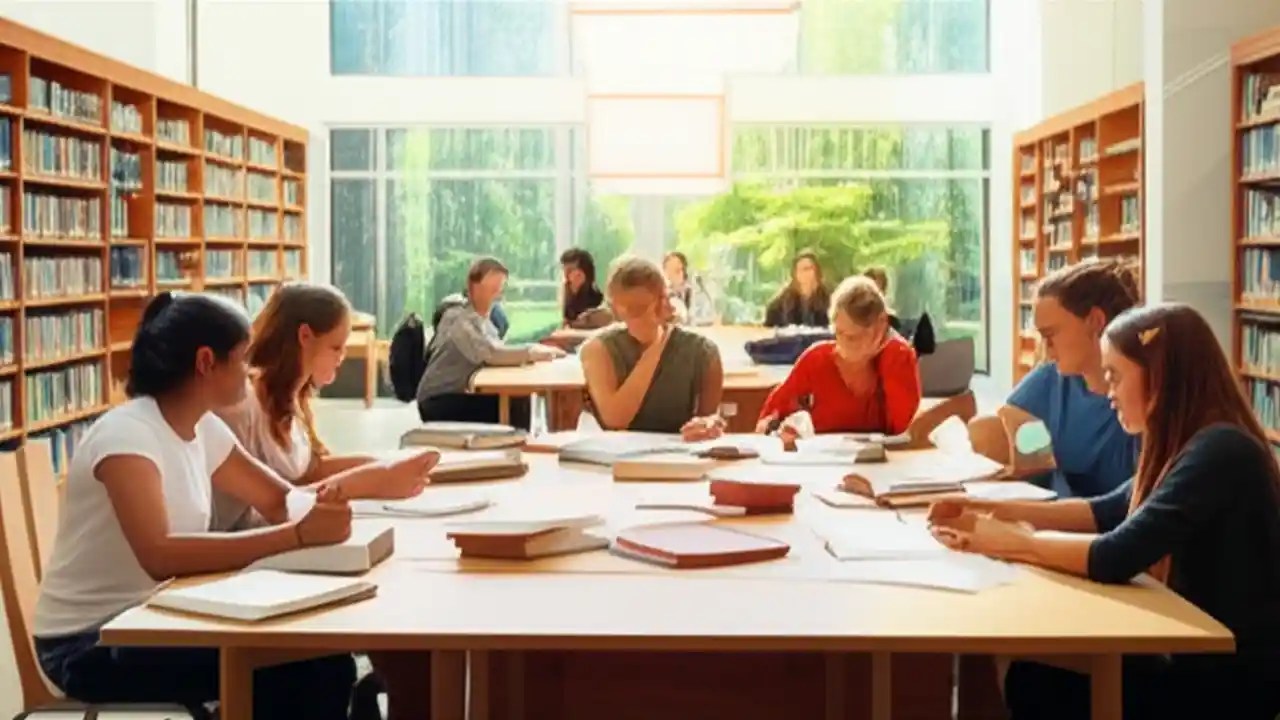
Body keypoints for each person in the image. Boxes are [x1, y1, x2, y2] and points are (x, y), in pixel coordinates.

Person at [30, 292, 378, 719]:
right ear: (205, 363)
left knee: (319, 658)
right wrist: (296, 535)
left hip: (158, 616)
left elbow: (276, 499)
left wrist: (331, 506)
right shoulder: (127, 437)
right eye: (242, 357)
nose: (250, 371)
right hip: (89, 642)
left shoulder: (203, 427)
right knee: (309, 668)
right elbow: (159, 555)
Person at [930, 303, 1280, 720]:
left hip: (1225, 684)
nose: (1107, 391)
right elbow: (1104, 511)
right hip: (1193, 654)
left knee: (1027, 678)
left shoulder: (1218, 450)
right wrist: (980, 506)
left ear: (1160, 376)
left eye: (1116, 376)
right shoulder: (1192, 443)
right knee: (1018, 658)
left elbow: (1114, 554)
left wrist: (1014, 542)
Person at [215, 282, 436, 720]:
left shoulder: (291, 397)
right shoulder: (243, 406)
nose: (341, 356)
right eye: (335, 346)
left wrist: (387, 463)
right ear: (304, 337)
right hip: (254, 560)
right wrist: (374, 478)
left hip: (290, 547)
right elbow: (281, 501)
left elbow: (312, 470)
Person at [968, 259, 1141, 497]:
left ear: (1095, 322)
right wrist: (1037, 456)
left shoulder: (1141, 395)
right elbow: (997, 424)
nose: (1045, 348)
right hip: (1060, 523)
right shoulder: (1053, 378)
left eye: (1051, 334)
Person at [755, 275, 920, 436]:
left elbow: (901, 428)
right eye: (839, 333)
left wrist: (873, 361)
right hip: (824, 460)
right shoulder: (817, 359)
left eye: (853, 337)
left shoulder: (897, 356)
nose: (844, 345)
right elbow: (767, 421)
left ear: (880, 327)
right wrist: (781, 430)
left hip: (882, 461)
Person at [581, 256, 725, 439]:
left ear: (665, 302)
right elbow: (615, 420)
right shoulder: (598, 350)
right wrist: (656, 346)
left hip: (680, 456)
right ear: (615, 310)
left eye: (641, 308)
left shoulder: (703, 352)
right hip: (616, 457)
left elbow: (708, 419)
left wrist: (708, 425)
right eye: (629, 311)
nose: (638, 319)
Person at [415, 256, 564, 429]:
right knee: (513, 404)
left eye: (499, 289)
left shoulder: (481, 319)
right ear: (474, 286)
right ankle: (513, 447)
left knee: (518, 399)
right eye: (492, 288)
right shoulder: (457, 318)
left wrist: (532, 351)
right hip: (438, 400)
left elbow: (497, 347)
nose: (497, 295)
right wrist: (530, 352)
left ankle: (519, 446)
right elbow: (489, 353)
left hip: (457, 392)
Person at [764, 250, 831, 328]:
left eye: (809, 268)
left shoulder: (828, 297)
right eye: (802, 269)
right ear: (795, 274)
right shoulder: (781, 302)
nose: (806, 273)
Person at [559, 247, 609, 329]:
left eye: (570, 270)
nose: (566, 276)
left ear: (584, 274)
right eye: (564, 270)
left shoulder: (597, 301)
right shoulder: (567, 293)